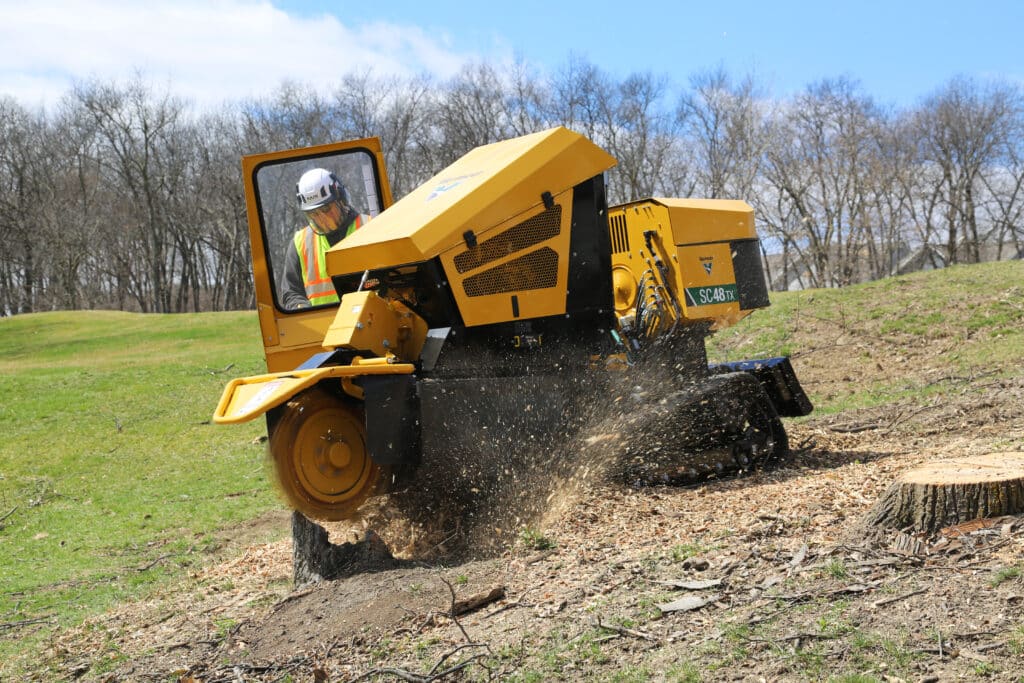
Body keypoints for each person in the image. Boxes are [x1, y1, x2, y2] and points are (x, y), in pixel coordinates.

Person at [279, 168, 369, 310]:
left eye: (326, 209)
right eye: (313, 213)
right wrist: (303, 309)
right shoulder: (300, 243)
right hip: (321, 322)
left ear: (341, 200)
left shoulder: (370, 226)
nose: (322, 218)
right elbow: (291, 293)